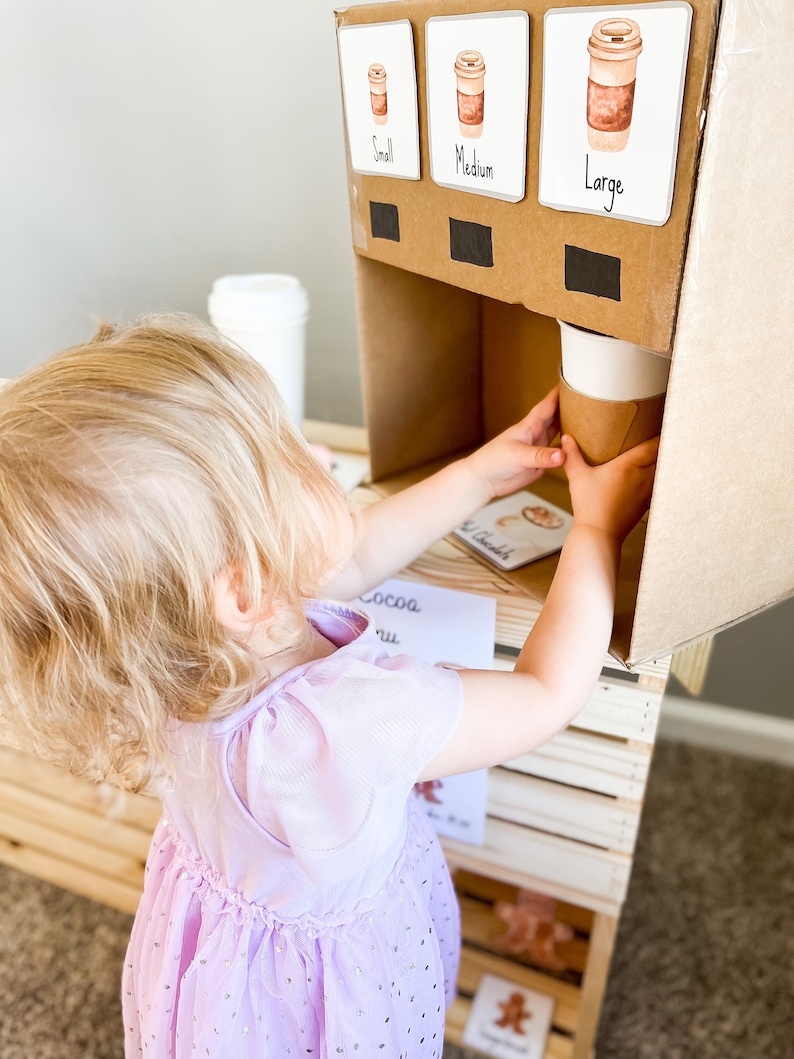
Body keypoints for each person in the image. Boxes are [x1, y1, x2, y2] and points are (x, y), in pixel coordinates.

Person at [0, 315, 657, 1058]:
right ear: (243, 589)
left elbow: (352, 554)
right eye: (287, 459)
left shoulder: (177, 659)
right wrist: (596, 531)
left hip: (230, 962)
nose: (316, 451)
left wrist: (477, 475)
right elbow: (542, 691)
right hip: (327, 986)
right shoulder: (343, 722)